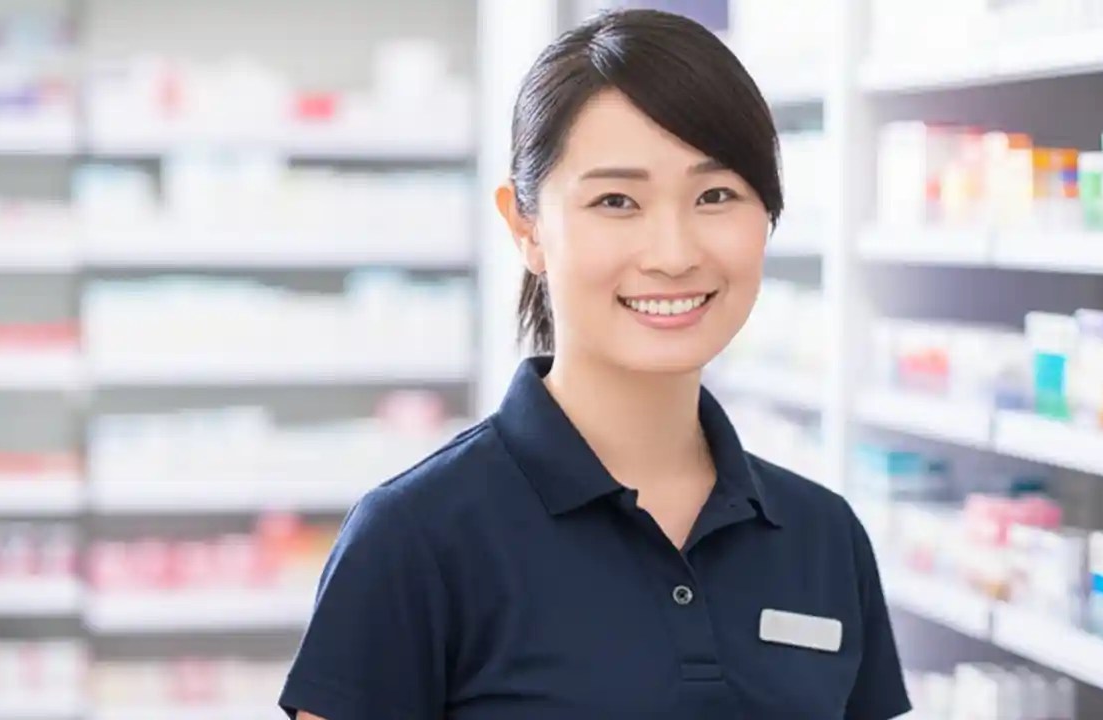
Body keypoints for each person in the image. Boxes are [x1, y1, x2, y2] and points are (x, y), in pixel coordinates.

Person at [280, 8, 911, 720]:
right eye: (617, 200)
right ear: (526, 229)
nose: (673, 253)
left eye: (716, 196)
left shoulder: (823, 538)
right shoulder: (415, 540)